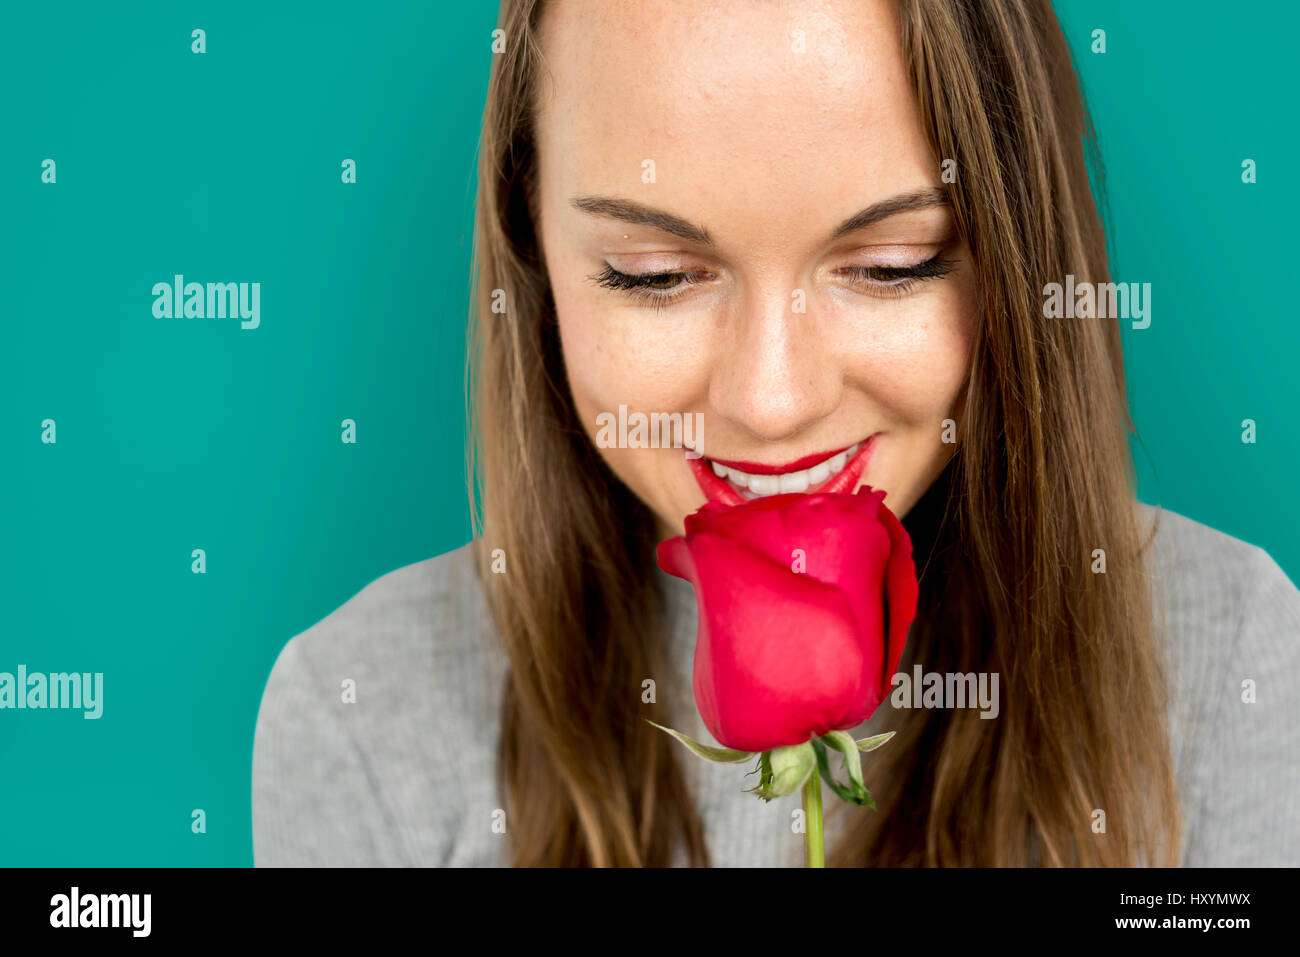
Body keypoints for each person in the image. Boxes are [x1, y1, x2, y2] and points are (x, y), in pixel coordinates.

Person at [252, 0, 1300, 867]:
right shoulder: (357, 715)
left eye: (890, 266)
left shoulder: (1238, 662)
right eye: (653, 277)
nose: (771, 400)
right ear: (531, 242)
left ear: (1010, 249)